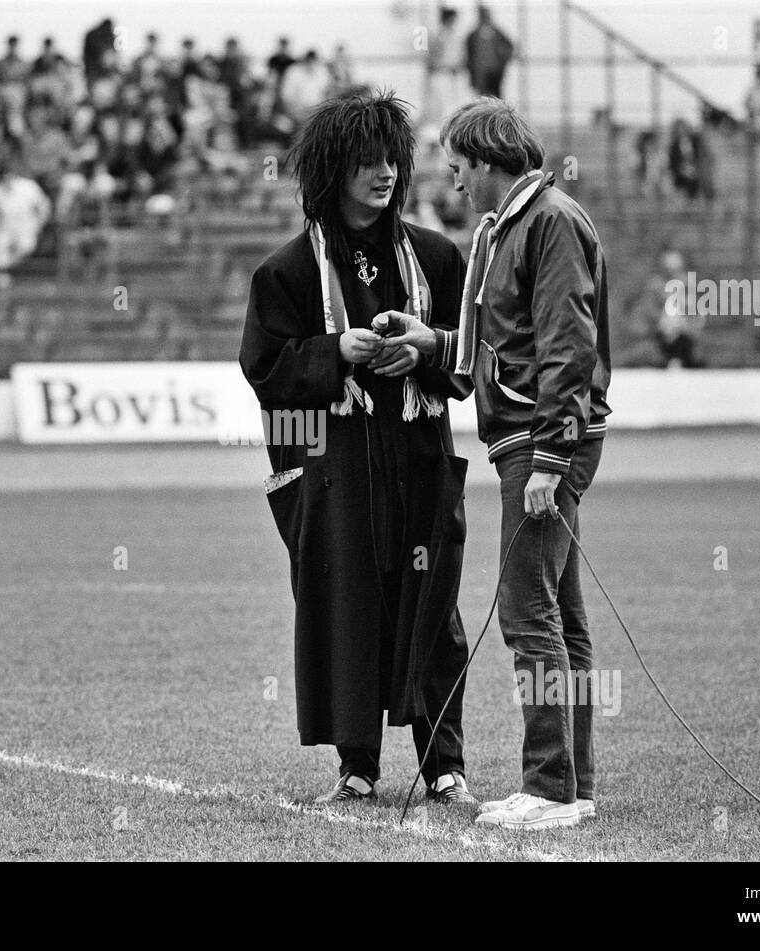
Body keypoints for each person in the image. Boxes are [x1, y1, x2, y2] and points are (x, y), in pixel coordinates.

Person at [239, 90, 478, 808]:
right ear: (333, 169)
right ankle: (357, 767)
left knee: (432, 610)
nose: (382, 173)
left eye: (391, 160)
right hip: (337, 471)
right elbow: (265, 370)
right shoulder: (285, 272)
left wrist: (424, 357)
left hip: (418, 459)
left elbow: (470, 360)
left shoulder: (436, 257)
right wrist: (334, 351)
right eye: (366, 161)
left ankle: (445, 765)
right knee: (348, 608)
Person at [382, 97, 611, 831]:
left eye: (458, 168)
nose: (453, 183)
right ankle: (569, 784)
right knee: (560, 613)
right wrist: (428, 341)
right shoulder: (499, 227)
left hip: (540, 445)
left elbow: (567, 347)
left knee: (526, 612)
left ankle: (547, 787)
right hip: (526, 439)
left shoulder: (550, 221)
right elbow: (490, 346)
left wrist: (550, 458)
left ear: (487, 161)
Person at [465, 5, 514, 98]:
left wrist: (504, 59)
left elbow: (510, 46)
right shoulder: (473, 35)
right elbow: (469, 54)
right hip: (480, 71)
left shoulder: (497, 32)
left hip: (495, 70)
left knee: (496, 95)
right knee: (482, 96)